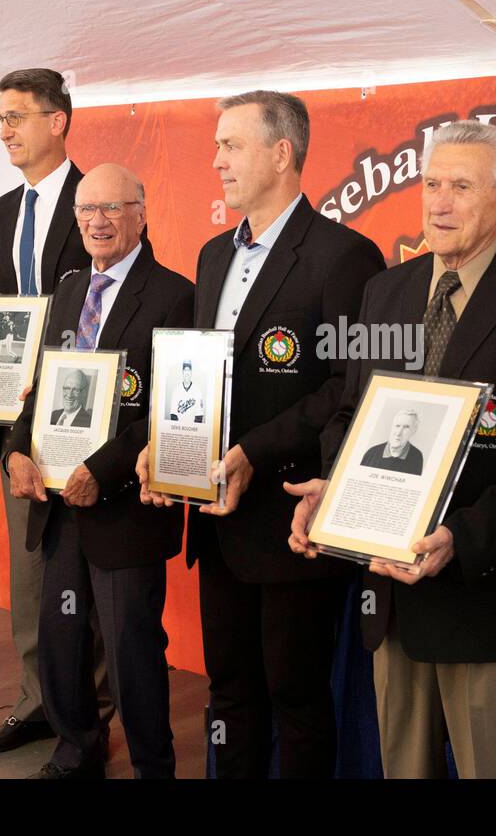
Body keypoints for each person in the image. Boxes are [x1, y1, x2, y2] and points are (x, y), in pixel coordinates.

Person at [288, 121, 496, 778]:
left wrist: (463, 538)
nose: (439, 202)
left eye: (462, 186)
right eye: (431, 184)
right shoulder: (385, 290)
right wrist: (333, 488)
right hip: (391, 604)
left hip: (490, 603)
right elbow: (349, 414)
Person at [137, 90, 385, 778]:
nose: (215, 160)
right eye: (216, 144)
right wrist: (166, 437)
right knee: (230, 693)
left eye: (231, 145)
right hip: (218, 523)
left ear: (282, 153)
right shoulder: (215, 254)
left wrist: (253, 451)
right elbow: (203, 374)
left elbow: (348, 387)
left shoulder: (344, 257)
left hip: (291, 519)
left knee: (297, 696)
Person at [5, 164, 193, 778]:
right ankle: (78, 747)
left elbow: (178, 406)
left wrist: (103, 470)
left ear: (142, 212)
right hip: (57, 505)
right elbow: (39, 391)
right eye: (87, 210)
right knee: (60, 639)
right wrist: (16, 447)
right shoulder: (65, 291)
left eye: (113, 207)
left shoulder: (174, 295)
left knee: (131, 646)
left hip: (124, 508)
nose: (97, 221)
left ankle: (151, 765)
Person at [0, 68, 110, 757]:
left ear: (58, 121)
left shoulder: (100, 198)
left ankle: (91, 714)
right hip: (17, 423)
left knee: (83, 571)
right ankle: (36, 701)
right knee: (30, 572)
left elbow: (116, 308)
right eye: (0, 119)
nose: (6, 131)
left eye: (17, 116)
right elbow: (10, 313)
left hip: (81, 417)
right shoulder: (1, 212)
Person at [359, 408, 424, 475]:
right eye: (397, 426)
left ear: (414, 431)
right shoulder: (372, 453)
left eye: (406, 427)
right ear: (392, 427)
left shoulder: (417, 457)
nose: (398, 433)